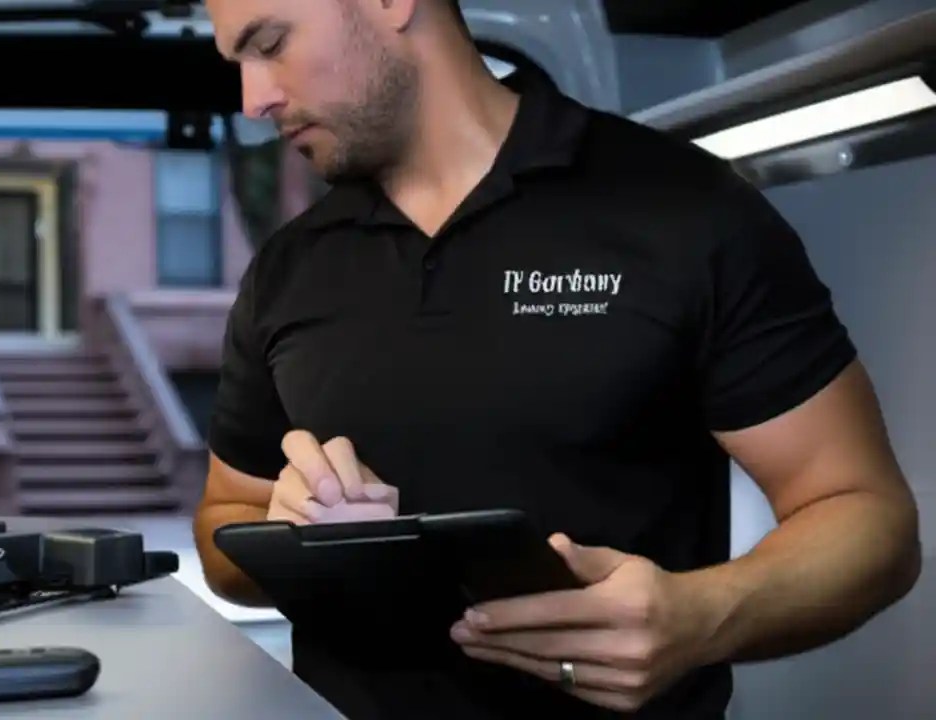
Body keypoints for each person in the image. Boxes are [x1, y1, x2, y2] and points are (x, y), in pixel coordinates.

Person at [192, 0, 923, 718]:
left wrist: (702, 615)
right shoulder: (288, 269)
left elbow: (867, 515)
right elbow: (224, 522)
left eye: (271, 44)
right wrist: (290, 539)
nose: (254, 100)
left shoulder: (682, 209)